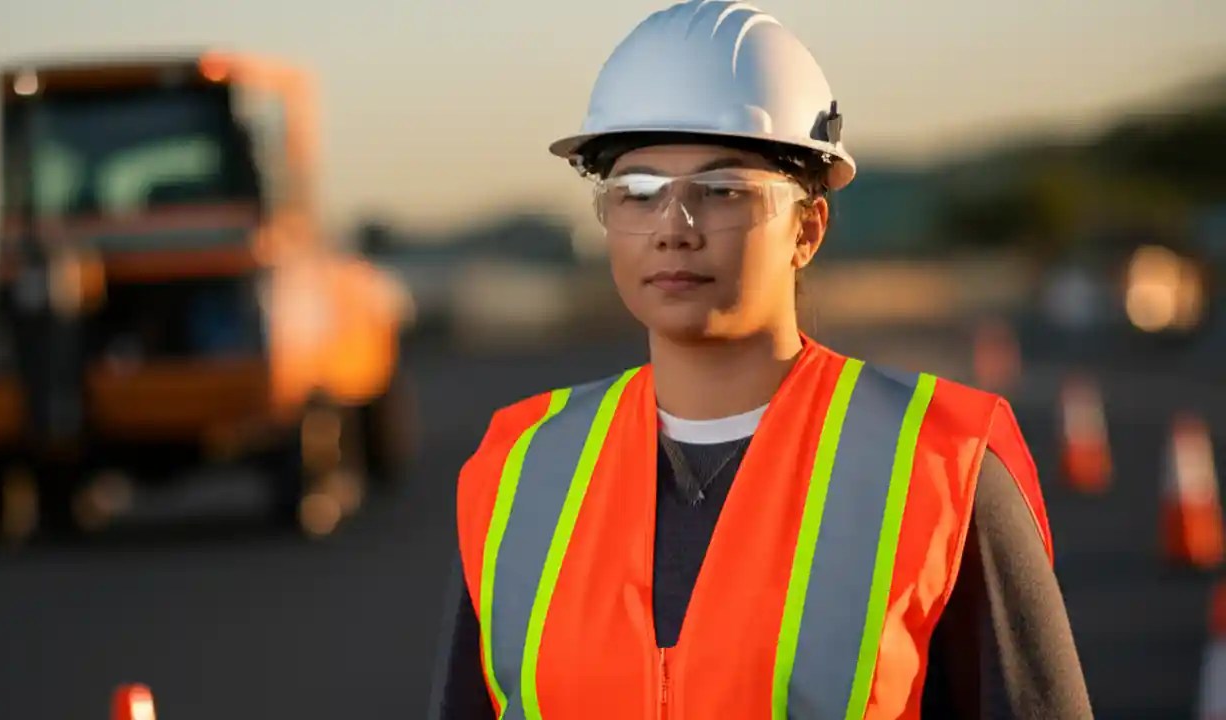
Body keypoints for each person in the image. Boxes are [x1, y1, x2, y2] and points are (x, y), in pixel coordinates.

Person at [431, 2, 1093, 718]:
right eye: (639, 193)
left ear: (807, 229)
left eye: (721, 192)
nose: (673, 230)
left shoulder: (942, 467)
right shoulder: (520, 473)